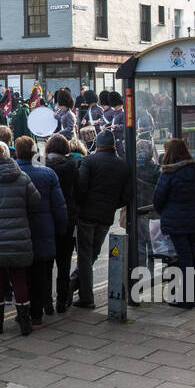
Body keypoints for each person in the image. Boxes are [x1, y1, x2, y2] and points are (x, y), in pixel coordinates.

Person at [0, 141, 38, 336]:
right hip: (18, 235)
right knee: (19, 278)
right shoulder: (22, 176)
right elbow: (35, 201)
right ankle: (25, 323)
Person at [72, 130, 131, 308]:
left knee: (84, 255)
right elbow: (126, 196)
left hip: (86, 216)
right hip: (105, 217)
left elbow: (80, 188)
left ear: (97, 145)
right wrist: (111, 205)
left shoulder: (89, 161)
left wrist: (81, 205)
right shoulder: (123, 166)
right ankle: (71, 288)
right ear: (114, 146)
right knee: (93, 254)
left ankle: (86, 298)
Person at [152, 138, 195, 309]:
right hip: (194, 220)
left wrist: (167, 212)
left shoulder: (168, 173)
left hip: (176, 222)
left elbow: (157, 198)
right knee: (193, 257)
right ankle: (193, 294)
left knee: (185, 259)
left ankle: (187, 299)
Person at [13, 135, 66, 324]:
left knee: (22, 275)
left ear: (17, 152)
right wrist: (61, 229)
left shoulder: (14, 171)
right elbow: (59, 207)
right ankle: (37, 313)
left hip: (19, 229)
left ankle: (23, 313)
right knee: (41, 273)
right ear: (34, 152)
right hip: (44, 229)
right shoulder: (47, 174)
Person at [43, 133, 78, 313]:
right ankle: (62, 302)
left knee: (46, 265)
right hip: (68, 219)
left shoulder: (43, 165)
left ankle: (47, 303)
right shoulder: (72, 165)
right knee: (64, 265)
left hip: (47, 220)